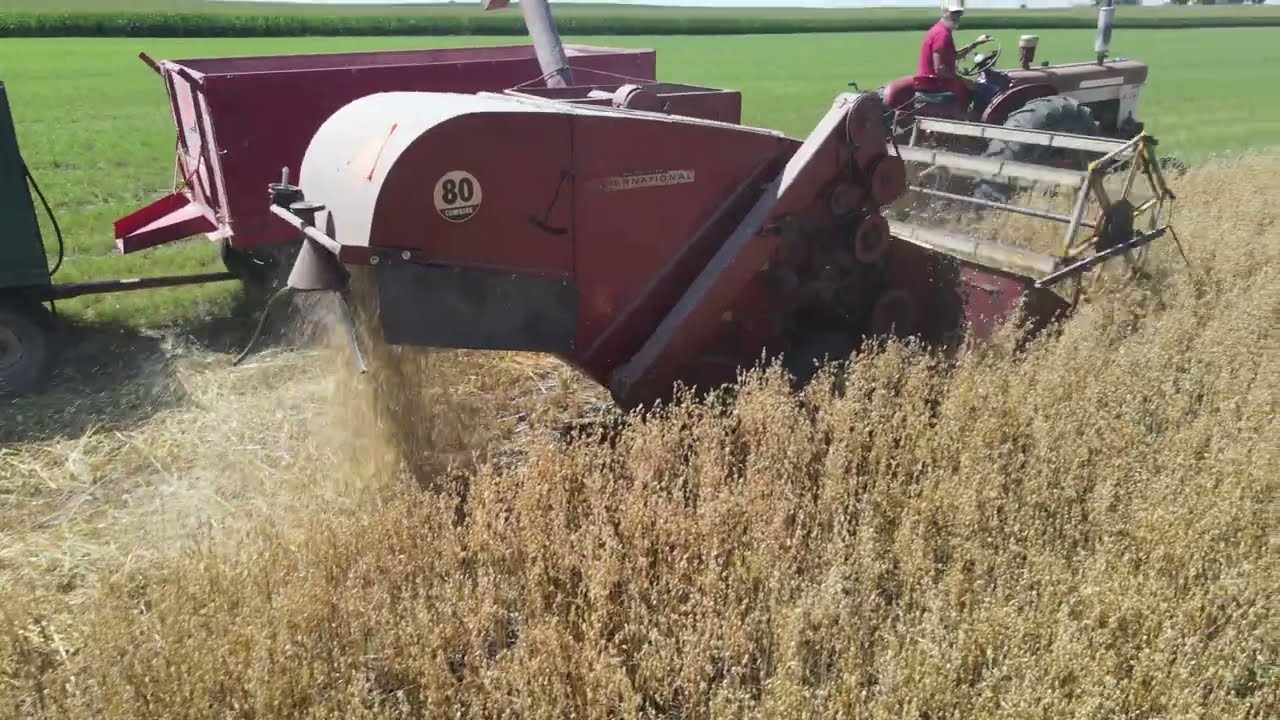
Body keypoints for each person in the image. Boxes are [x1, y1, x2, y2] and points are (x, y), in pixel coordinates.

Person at [916, 2, 994, 109]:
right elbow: (939, 68)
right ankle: (978, 121)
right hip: (937, 84)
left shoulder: (941, 31)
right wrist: (963, 80)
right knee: (986, 90)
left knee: (977, 87)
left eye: (959, 13)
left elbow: (954, 56)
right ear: (944, 13)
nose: (956, 16)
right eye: (953, 13)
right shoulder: (941, 35)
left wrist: (976, 43)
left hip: (935, 82)